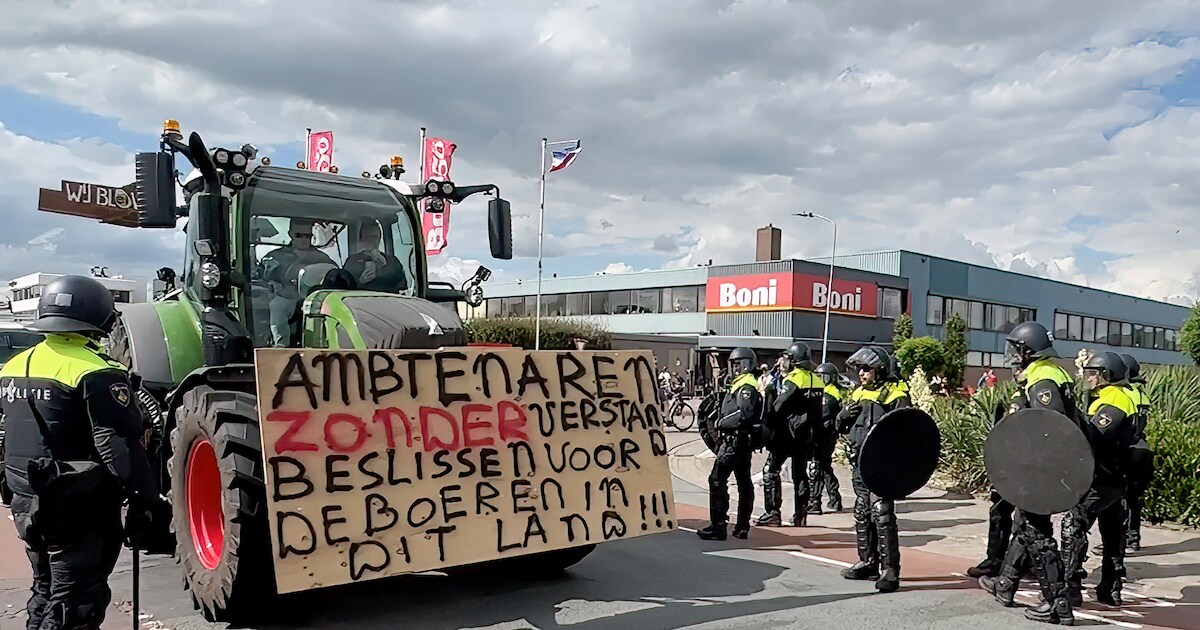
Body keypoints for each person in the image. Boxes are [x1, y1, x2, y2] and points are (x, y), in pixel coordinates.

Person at [1, 276, 158, 630]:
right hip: (78, 506)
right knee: (76, 604)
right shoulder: (97, 370)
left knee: (45, 589)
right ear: (99, 319)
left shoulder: (15, 366)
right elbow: (115, 445)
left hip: (29, 499)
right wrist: (146, 499)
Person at [978, 321, 1081, 624]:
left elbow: (1048, 427)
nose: (1012, 355)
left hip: (1043, 469)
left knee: (1038, 534)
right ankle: (1006, 584)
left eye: (1016, 350)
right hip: (1045, 466)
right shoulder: (1046, 373)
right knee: (1025, 524)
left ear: (1028, 351)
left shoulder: (1043, 379)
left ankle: (1057, 603)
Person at [1058, 352, 1139, 609]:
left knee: (1074, 525)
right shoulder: (1118, 396)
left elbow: (1097, 435)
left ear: (1108, 375)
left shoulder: (1114, 399)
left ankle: (1070, 587)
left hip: (1102, 477)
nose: (1089, 378)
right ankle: (1110, 589)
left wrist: (1074, 415)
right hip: (1118, 477)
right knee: (1113, 535)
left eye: (1094, 373)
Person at [836, 345, 910, 592]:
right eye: (860, 369)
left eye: (866, 369)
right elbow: (840, 425)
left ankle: (890, 571)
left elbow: (906, 432)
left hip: (881, 465)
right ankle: (867, 561)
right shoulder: (857, 393)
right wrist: (844, 415)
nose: (862, 373)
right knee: (862, 511)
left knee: (882, 514)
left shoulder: (895, 393)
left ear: (879, 370)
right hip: (858, 461)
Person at [697, 347, 762, 541]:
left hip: (734, 441)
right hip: (741, 442)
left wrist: (720, 423)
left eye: (737, 365)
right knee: (744, 483)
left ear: (746, 365)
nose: (734, 369)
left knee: (717, 480)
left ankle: (718, 526)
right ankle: (742, 526)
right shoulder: (742, 384)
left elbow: (744, 414)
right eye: (733, 365)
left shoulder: (746, 387)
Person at [756, 342, 823, 527]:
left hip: (787, 434)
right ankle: (800, 515)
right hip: (806, 436)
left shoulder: (792, 380)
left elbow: (777, 407)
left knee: (770, 471)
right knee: (800, 475)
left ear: (793, 360)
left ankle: (772, 513)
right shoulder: (817, 380)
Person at [257, 218, 337, 346]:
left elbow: (334, 276)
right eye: (299, 235)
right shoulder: (276, 256)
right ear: (290, 234)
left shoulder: (323, 258)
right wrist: (273, 285)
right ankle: (281, 345)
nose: (304, 240)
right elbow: (262, 279)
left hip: (316, 299)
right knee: (277, 305)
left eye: (308, 236)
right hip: (287, 298)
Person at [1118, 353, 1153, 552]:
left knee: (1123, 498)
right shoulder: (1140, 393)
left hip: (1129, 449)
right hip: (1142, 448)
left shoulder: (1125, 393)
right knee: (1134, 499)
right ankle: (1133, 538)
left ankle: (1123, 540)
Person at [807, 362, 845, 514]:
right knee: (825, 467)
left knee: (817, 468)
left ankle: (815, 502)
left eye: (823, 377)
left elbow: (822, 415)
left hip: (824, 435)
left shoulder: (830, 394)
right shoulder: (826, 391)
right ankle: (835, 498)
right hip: (825, 435)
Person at [343, 219, 408, 292]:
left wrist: (386, 266)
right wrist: (360, 282)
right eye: (367, 237)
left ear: (379, 238)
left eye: (374, 237)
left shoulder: (392, 261)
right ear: (361, 239)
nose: (371, 241)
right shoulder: (352, 262)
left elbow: (402, 287)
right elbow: (344, 289)